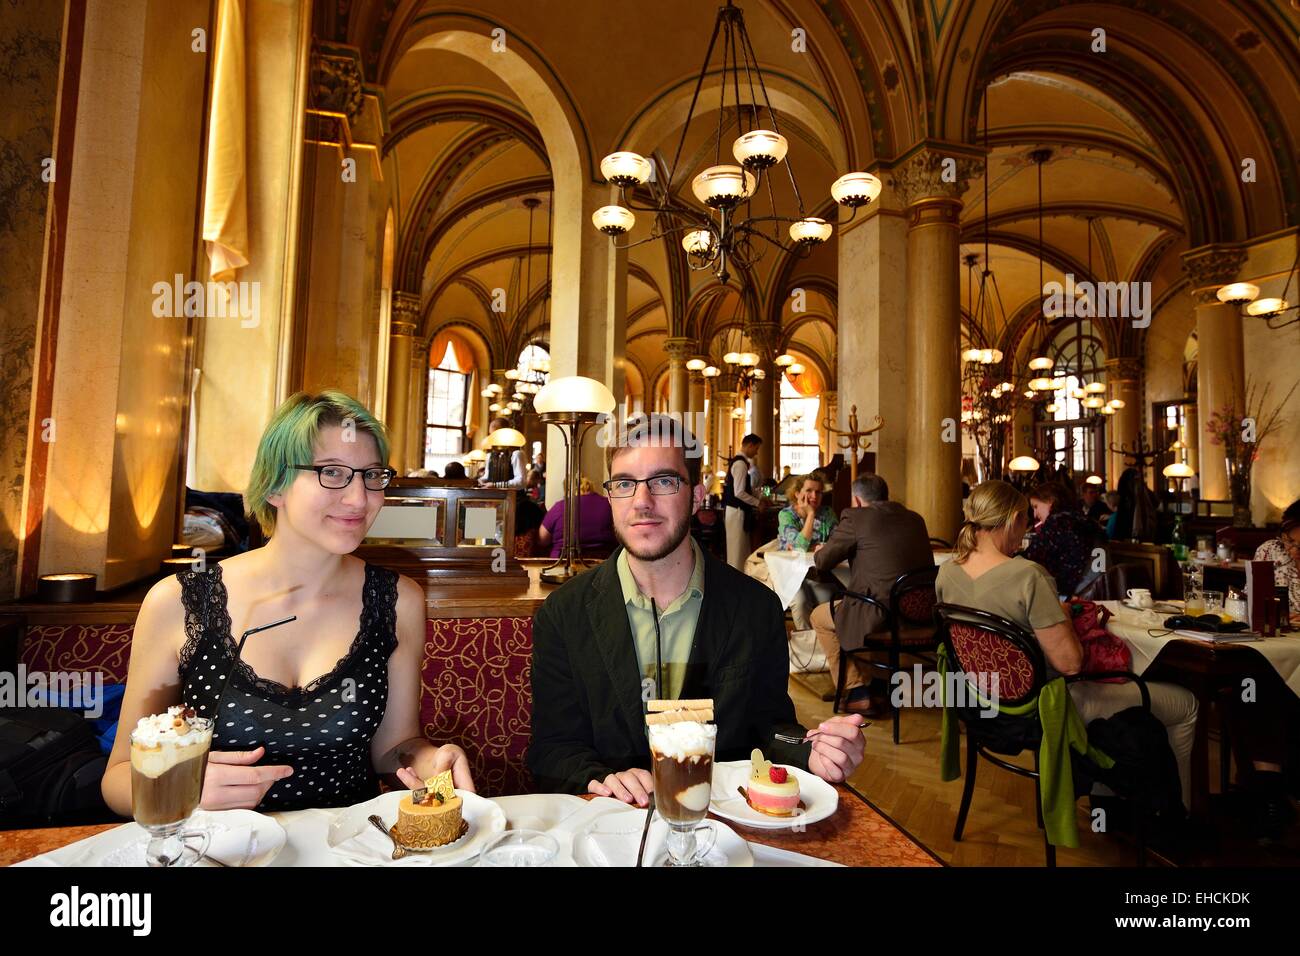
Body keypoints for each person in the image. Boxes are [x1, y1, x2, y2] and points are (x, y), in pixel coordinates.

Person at [101, 391, 474, 817]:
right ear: (275, 485)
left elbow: (394, 749)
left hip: (350, 851)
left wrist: (431, 761)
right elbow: (118, 777)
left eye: (372, 475)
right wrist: (178, 786)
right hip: (220, 853)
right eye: (331, 472)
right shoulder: (180, 602)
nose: (359, 498)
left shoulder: (397, 600)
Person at [527, 414, 865, 804]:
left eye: (664, 481)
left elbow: (771, 728)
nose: (642, 502)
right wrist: (599, 778)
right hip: (611, 828)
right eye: (624, 484)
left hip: (723, 827)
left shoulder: (756, 609)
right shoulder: (564, 614)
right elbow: (552, 749)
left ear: (698, 494)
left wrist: (815, 751)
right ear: (610, 496)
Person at [936, 480, 1197, 810]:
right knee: (1185, 703)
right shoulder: (1029, 576)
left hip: (979, 703)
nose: (1027, 530)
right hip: (1038, 709)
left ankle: (1113, 807)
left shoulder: (946, 573)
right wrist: (1059, 616)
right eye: (1026, 521)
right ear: (1014, 518)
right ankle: (1179, 816)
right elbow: (1070, 664)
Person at [810, 474, 933, 717]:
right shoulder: (915, 518)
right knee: (866, 610)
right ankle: (878, 686)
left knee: (819, 616)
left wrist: (821, 550)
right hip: (917, 614)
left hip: (880, 613)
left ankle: (856, 691)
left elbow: (823, 562)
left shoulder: (856, 517)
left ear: (857, 499)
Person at [777, 471, 839, 631]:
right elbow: (799, 548)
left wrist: (820, 546)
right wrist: (811, 514)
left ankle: (823, 647)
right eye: (809, 491)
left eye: (818, 492)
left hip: (818, 574)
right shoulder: (786, 515)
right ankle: (807, 646)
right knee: (801, 602)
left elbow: (837, 543)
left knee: (828, 602)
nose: (814, 495)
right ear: (797, 494)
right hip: (790, 575)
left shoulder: (827, 514)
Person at [1024, 481, 1104, 597]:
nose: (1035, 514)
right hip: (1099, 591)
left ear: (1050, 501)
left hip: (1072, 598)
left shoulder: (1057, 523)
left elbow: (1032, 558)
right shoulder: (1087, 521)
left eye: (1036, 507)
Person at [538, 476, 616, 559]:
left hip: (562, 565)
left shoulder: (560, 507)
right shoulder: (608, 504)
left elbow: (543, 539)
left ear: (568, 490)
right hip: (602, 564)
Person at [722, 433, 764, 570]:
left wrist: (758, 496)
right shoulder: (740, 464)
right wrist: (758, 503)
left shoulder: (740, 462)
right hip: (737, 511)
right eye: (756, 449)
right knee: (737, 551)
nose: (756, 453)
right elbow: (739, 492)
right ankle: (733, 581)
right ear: (749, 445)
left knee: (740, 550)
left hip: (736, 511)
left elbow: (744, 489)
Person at [1254, 499, 1300, 621]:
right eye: (1290, 541)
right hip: (1275, 631)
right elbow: (1252, 598)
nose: (1295, 549)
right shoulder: (1270, 551)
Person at [478, 417, 527, 489]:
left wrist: (496, 485)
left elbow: (521, 482)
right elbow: (487, 476)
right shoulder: (489, 456)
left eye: (495, 434)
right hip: (494, 497)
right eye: (491, 434)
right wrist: (479, 480)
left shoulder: (516, 454)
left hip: (513, 498)